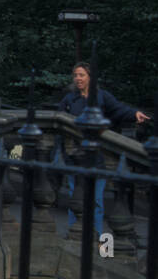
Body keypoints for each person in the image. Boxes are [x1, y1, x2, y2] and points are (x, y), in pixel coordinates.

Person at [55, 61, 150, 235]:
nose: (78, 78)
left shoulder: (101, 96)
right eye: (75, 75)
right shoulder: (69, 99)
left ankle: (96, 235)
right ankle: (73, 233)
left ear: (90, 77)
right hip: (74, 157)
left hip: (96, 157)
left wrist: (134, 113)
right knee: (74, 198)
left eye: (81, 75)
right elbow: (58, 124)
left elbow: (118, 109)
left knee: (96, 201)